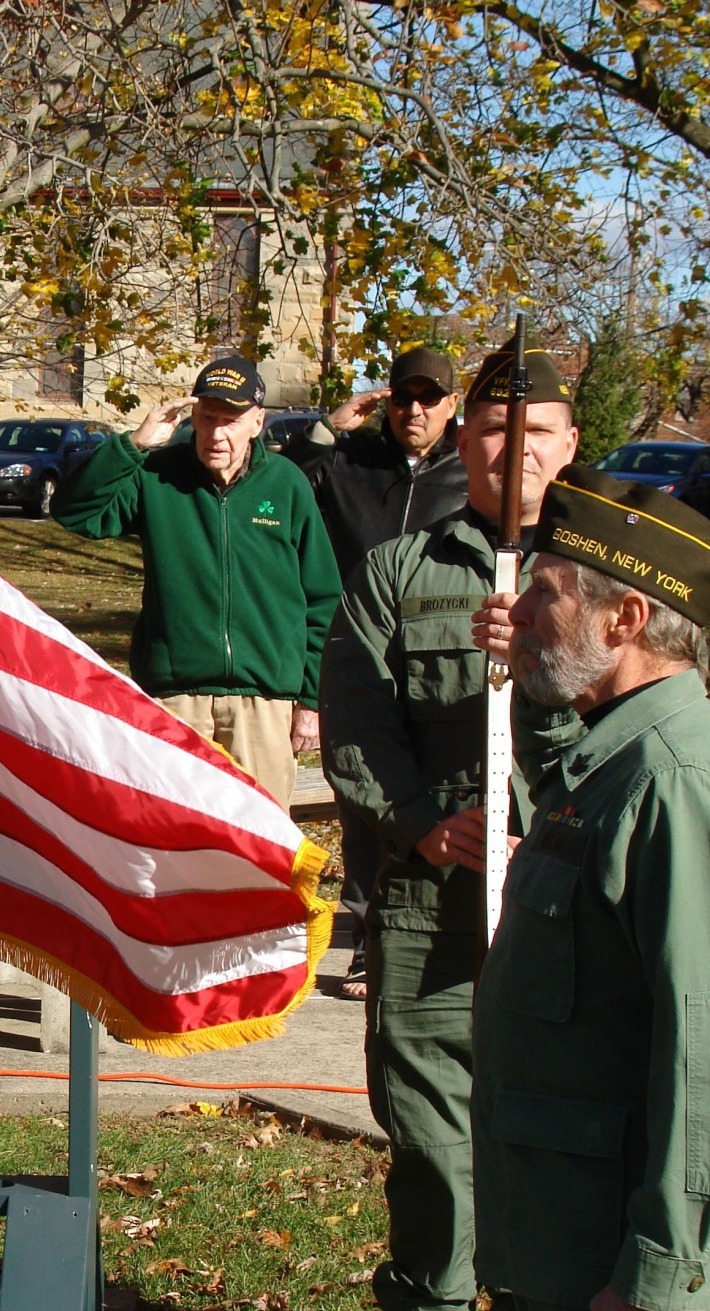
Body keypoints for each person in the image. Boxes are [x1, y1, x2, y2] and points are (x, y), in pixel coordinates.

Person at [469, 465, 710, 1311]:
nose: (519, 608)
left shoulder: (675, 786)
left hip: (631, 1270)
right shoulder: (614, 761)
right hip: (576, 1248)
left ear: (627, 616)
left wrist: (655, 1276)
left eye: (547, 590)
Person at [317, 339, 582, 1311]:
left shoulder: (603, 582)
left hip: (563, 903)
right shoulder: (395, 571)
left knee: (550, 1125)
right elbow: (355, 718)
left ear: (566, 451)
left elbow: (649, 722)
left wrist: (550, 665)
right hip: (432, 898)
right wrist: (421, 821)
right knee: (429, 1134)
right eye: (487, 430)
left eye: (533, 435)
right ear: (459, 442)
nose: (507, 450)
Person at [53, 355, 340, 807]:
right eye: (208, 418)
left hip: (264, 704)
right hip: (175, 699)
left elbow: (323, 598)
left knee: (262, 845)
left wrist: (311, 700)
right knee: (171, 839)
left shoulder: (285, 484)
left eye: (232, 421)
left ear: (257, 423)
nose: (217, 434)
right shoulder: (157, 476)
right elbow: (77, 512)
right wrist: (135, 444)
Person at [288, 345, 472, 998]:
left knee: (431, 793)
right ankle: (367, 944)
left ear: (453, 405)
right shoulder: (349, 462)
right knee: (365, 802)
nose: (414, 410)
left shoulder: (467, 472)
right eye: (402, 398)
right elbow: (284, 484)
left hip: (437, 659)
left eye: (429, 398)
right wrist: (328, 428)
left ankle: (431, 938)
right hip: (357, 655)